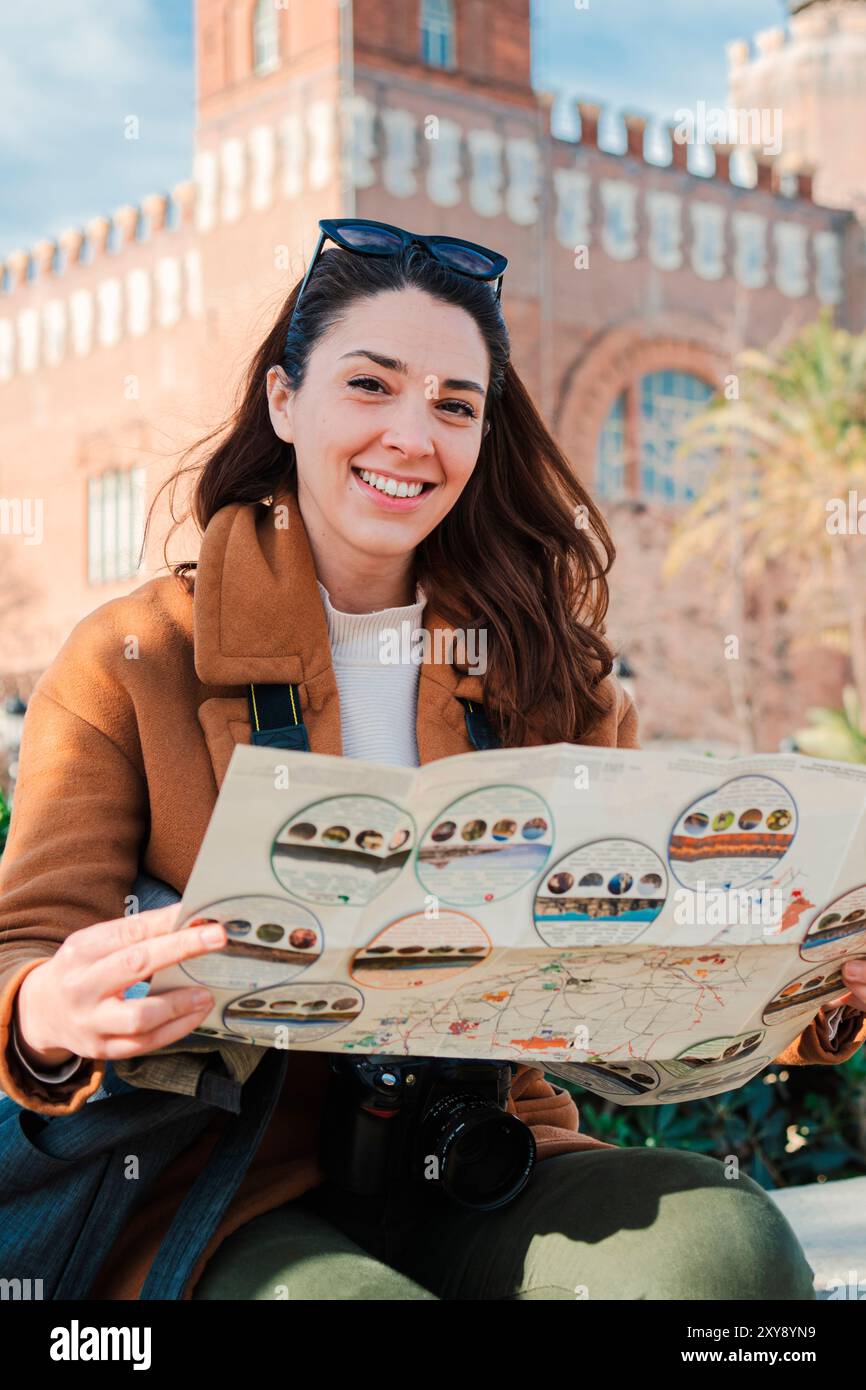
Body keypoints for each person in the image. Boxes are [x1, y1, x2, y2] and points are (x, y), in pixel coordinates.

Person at [2, 218, 865, 1302]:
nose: (413, 435)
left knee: (723, 1252)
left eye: (455, 403)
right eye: (370, 385)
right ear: (284, 400)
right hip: (215, 1183)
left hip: (488, 1153)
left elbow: (649, 966)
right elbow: (24, 946)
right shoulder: (134, 656)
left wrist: (807, 989)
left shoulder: (558, 673)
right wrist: (43, 1012)